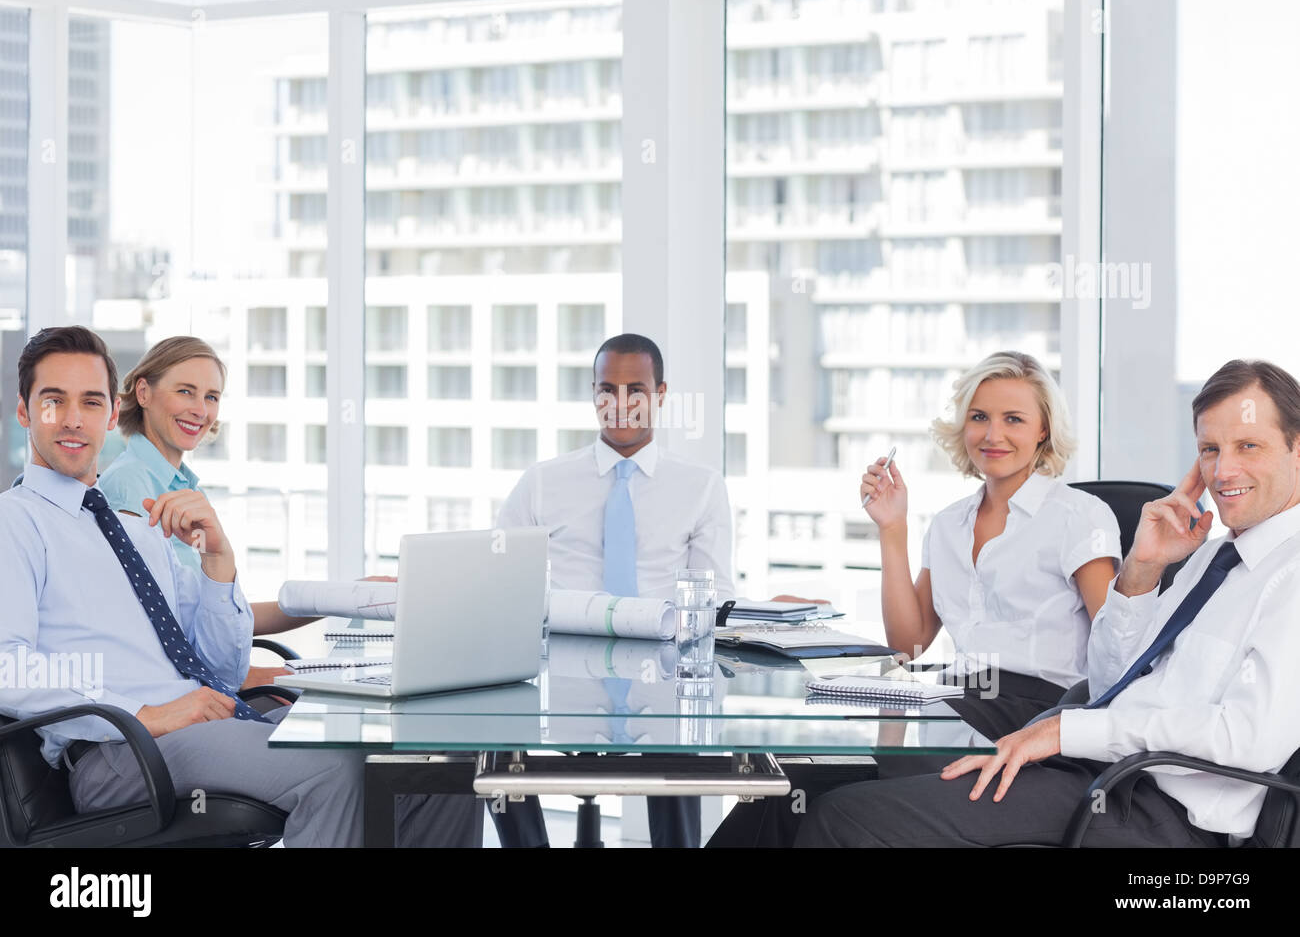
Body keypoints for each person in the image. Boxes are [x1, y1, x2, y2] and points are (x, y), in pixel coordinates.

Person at [0, 326, 476, 847]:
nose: (72, 419)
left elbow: (220, 666)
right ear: (24, 411)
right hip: (118, 751)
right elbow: (8, 665)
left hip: (197, 728)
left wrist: (219, 562)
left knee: (434, 765)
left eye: (89, 402)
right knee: (334, 769)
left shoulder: (137, 528)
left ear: (111, 415)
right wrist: (146, 714)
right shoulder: (15, 522)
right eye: (52, 402)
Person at [796, 358, 1300, 847]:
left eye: (1248, 446)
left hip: (1163, 812)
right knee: (800, 787)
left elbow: (1246, 738)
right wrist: (1142, 571)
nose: (1222, 469)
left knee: (845, 817)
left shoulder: (1290, 574)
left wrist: (1069, 731)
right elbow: (1109, 682)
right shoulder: (1211, 558)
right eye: (1209, 449)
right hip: (1099, 772)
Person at [708, 350, 1121, 846]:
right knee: (779, 789)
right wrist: (892, 527)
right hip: (954, 715)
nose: (993, 435)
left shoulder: (1079, 516)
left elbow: (1117, 649)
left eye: (1014, 419)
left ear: (1043, 431)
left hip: (1033, 731)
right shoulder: (949, 524)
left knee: (838, 812)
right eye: (979, 417)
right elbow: (911, 641)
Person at [491, 333, 734, 848]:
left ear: (660, 395)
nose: (620, 404)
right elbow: (499, 583)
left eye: (636, 390)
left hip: (663, 674)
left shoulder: (701, 486)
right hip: (563, 672)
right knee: (493, 741)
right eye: (608, 389)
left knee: (678, 741)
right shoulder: (543, 482)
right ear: (594, 394)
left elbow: (715, 598)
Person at [96, 336, 324, 690]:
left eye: (211, 397)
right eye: (185, 391)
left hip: (213, 674)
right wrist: (259, 678)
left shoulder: (182, 489)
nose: (200, 410)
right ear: (143, 393)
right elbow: (163, 628)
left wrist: (338, 601)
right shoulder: (130, 486)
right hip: (183, 689)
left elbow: (214, 612)